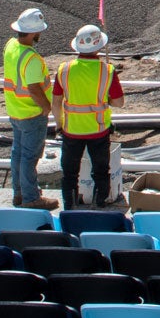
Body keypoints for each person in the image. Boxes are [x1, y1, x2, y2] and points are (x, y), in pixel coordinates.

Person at [53, 23, 126, 209]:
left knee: (69, 173)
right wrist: (104, 100)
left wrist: (59, 125)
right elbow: (119, 102)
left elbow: (56, 103)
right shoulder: (107, 71)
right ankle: (98, 205)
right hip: (99, 130)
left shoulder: (64, 70)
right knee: (101, 172)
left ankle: (69, 207)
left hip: (71, 131)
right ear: (99, 46)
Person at [3, 7, 58, 209]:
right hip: (31, 113)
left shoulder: (11, 46)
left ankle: (19, 193)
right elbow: (34, 88)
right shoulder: (32, 58)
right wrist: (46, 107)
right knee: (29, 157)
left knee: (17, 154)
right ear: (35, 32)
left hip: (15, 110)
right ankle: (31, 198)